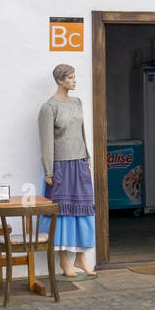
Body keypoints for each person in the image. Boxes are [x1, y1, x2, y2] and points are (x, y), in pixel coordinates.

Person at [38, 64, 97, 278]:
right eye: (70, 78)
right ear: (60, 81)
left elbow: (82, 133)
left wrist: (88, 160)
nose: (74, 81)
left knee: (84, 211)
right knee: (62, 213)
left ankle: (81, 258)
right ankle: (64, 261)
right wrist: (48, 170)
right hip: (60, 165)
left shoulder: (77, 102)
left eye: (74, 77)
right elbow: (46, 142)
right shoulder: (49, 107)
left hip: (80, 162)